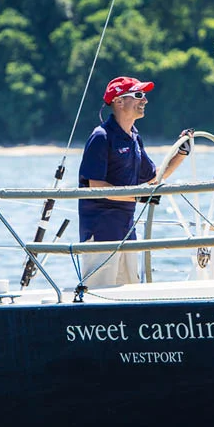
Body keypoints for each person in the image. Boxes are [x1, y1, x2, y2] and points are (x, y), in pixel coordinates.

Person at [77, 76, 189, 287]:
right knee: (99, 293)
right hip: (101, 231)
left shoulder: (134, 138)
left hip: (127, 230)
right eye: (138, 95)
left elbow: (153, 177)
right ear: (119, 101)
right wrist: (139, 196)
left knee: (129, 292)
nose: (145, 100)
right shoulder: (101, 137)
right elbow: (97, 188)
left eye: (144, 95)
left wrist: (180, 154)